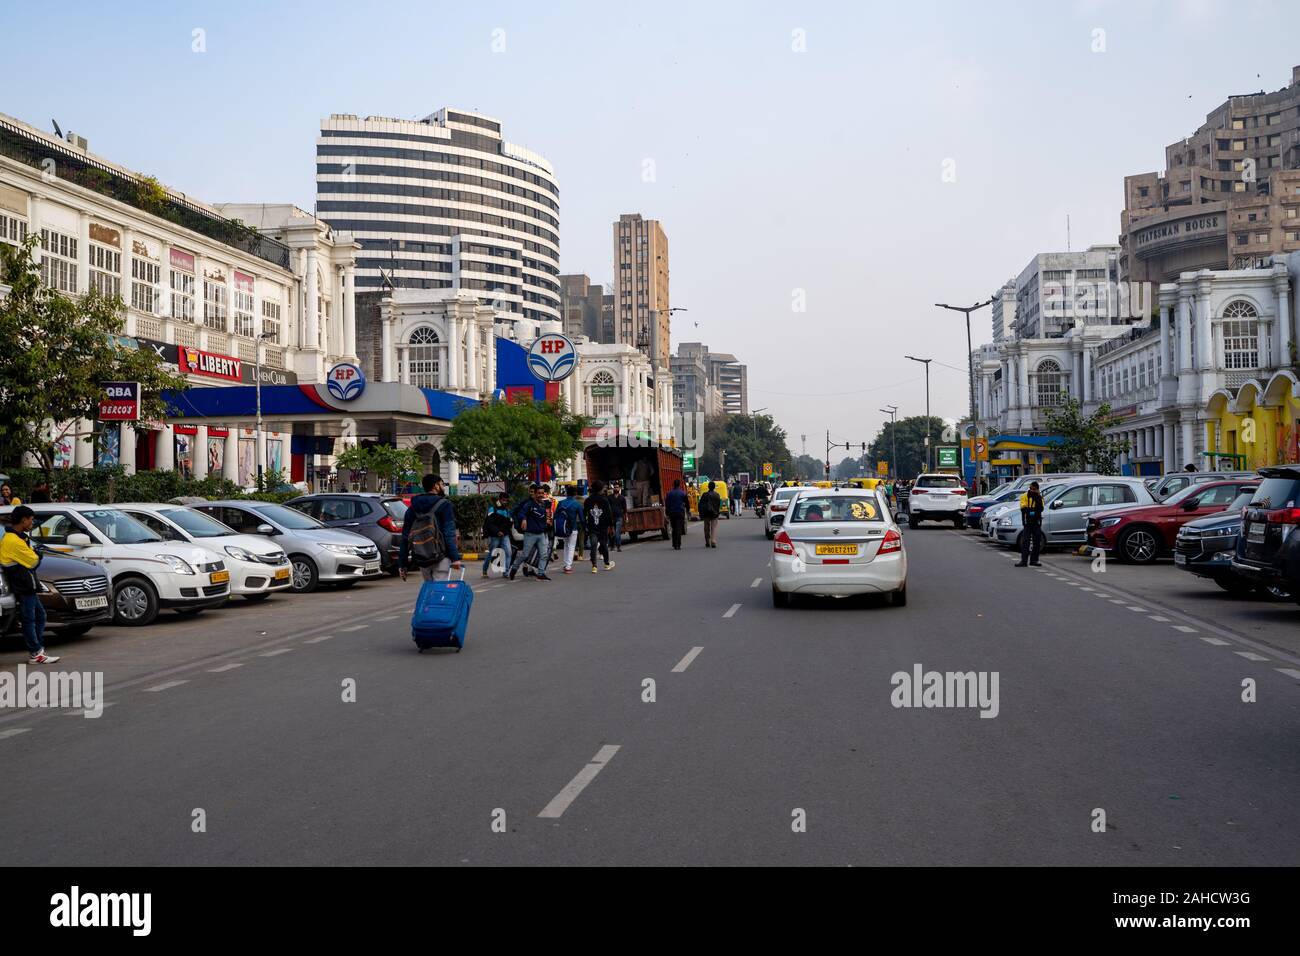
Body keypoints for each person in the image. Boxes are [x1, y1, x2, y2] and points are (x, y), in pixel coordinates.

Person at [2, 506, 59, 665]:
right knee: (30, 619)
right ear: (23, 520)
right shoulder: (13, 541)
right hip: (23, 586)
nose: (32, 522)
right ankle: (35, 653)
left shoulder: (20, 537)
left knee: (40, 616)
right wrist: (38, 554)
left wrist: (34, 554)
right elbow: (33, 561)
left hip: (28, 585)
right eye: (31, 519)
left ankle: (38, 650)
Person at [398, 474, 462, 581]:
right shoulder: (445, 505)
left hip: (422, 556)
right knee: (440, 591)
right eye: (442, 484)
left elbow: (405, 537)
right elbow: (449, 532)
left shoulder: (413, 507)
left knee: (429, 589)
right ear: (436, 486)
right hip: (441, 556)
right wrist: (455, 558)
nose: (443, 487)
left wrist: (402, 563)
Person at [508, 484, 552, 581]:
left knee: (544, 554)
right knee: (525, 555)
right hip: (530, 534)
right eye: (539, 493)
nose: (541, 495)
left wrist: (547, 523)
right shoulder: (529, 504)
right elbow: (521, 513)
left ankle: (541, 574)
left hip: (541, 534)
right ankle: (514, 568)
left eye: (542, 493)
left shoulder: (543, 504)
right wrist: (524, 519)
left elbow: (543, 517)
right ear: (535, 494)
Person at [583, 479, 616, 573]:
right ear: (600, 489)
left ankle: (594, 566)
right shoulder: (604, 500)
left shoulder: (588, 500)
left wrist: (585, 525)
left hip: (592, 526)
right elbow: (609, 515)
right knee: (603, 544)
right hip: (602, 527)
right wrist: (611, 527)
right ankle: (606, 564)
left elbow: (584, 513)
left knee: (593, 545)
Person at [481, 492, 514, 578]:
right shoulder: (492, 509)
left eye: (506, 501)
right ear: (499, 499)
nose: (505, 502)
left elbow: (509, 523)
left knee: (508, 553)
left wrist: (505, 531)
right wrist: (497, 531)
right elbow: (489, 523)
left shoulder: (507, 510)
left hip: (505, 535)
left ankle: (506, 573)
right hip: (494, 536)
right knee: (491, 553)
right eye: (503, 500)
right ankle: (484, 570)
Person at [555, 485, 585, 574]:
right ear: (575, 493)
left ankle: (566, 564)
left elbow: (556, 515)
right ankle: (568, 566)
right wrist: (584, 527)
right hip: (573, 528)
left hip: (563, 527)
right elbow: (582, 519)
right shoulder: (577, 504)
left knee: (566, 545)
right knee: (571, 546)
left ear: (567, 493)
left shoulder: (560, 503)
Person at [1015, 480, 1045, 567]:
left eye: (1035, 489)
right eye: (1032, 489)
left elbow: (1041, 508)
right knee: (1025, 542)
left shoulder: (1039, 497)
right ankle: (1024, 561)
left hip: (1036, 522)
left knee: (1037, 542)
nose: (1033, 491)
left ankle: (1034, 560)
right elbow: (1023, 508)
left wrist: (1037, 497)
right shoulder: (1024, 496)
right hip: (1027, 522)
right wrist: (1031, 511)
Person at [665, 478, 689, 550]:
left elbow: (667, 504)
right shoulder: (683, 493)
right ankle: (678, 544)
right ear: (679, 485)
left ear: (673, 485)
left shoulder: (669, 494)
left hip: (672, 513)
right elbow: (687, 503)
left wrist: (667, 513)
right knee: (678, 528)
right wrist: (687, 511)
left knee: (674, 528)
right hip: (680, 513)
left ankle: (674, 543)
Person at [698, 480, 722, 548]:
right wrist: (717, 512)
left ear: (708, 487)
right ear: (714, 487)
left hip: (706, 514)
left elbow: (700, 504)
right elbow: (718, 505)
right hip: (714, 514)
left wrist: (700, 513)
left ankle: (707, 542)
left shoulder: (704, 495)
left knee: (706, 528)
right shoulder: (717, 495)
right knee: (713, 528)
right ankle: (713, 541)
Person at [608, 482, 626, 552]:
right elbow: (607, 507)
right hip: (611, 517)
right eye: (615, 487)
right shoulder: (609, 497)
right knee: (611, 532)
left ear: (619, 488)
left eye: (617, 487)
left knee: (617, 532)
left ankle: (618, 546)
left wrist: (625, 517)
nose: (616, 488)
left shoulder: (622, 498)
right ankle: (612, 546)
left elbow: (625, 509)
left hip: (619, 517)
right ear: (613, 488)